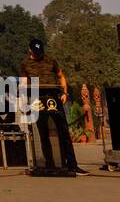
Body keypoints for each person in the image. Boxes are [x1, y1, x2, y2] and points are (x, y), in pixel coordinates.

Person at [20, 39, 84, 174]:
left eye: (40, 52)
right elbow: (24, 83)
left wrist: (65, 93)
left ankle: (72, 164)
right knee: (42, 132)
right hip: (37, 97)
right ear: (30, 50)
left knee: (63, 131)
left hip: (53, 96)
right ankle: (49, 164)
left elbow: (61, 76)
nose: (38, 55)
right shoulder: (25, 64)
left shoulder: (51, 60)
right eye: (36, 52)